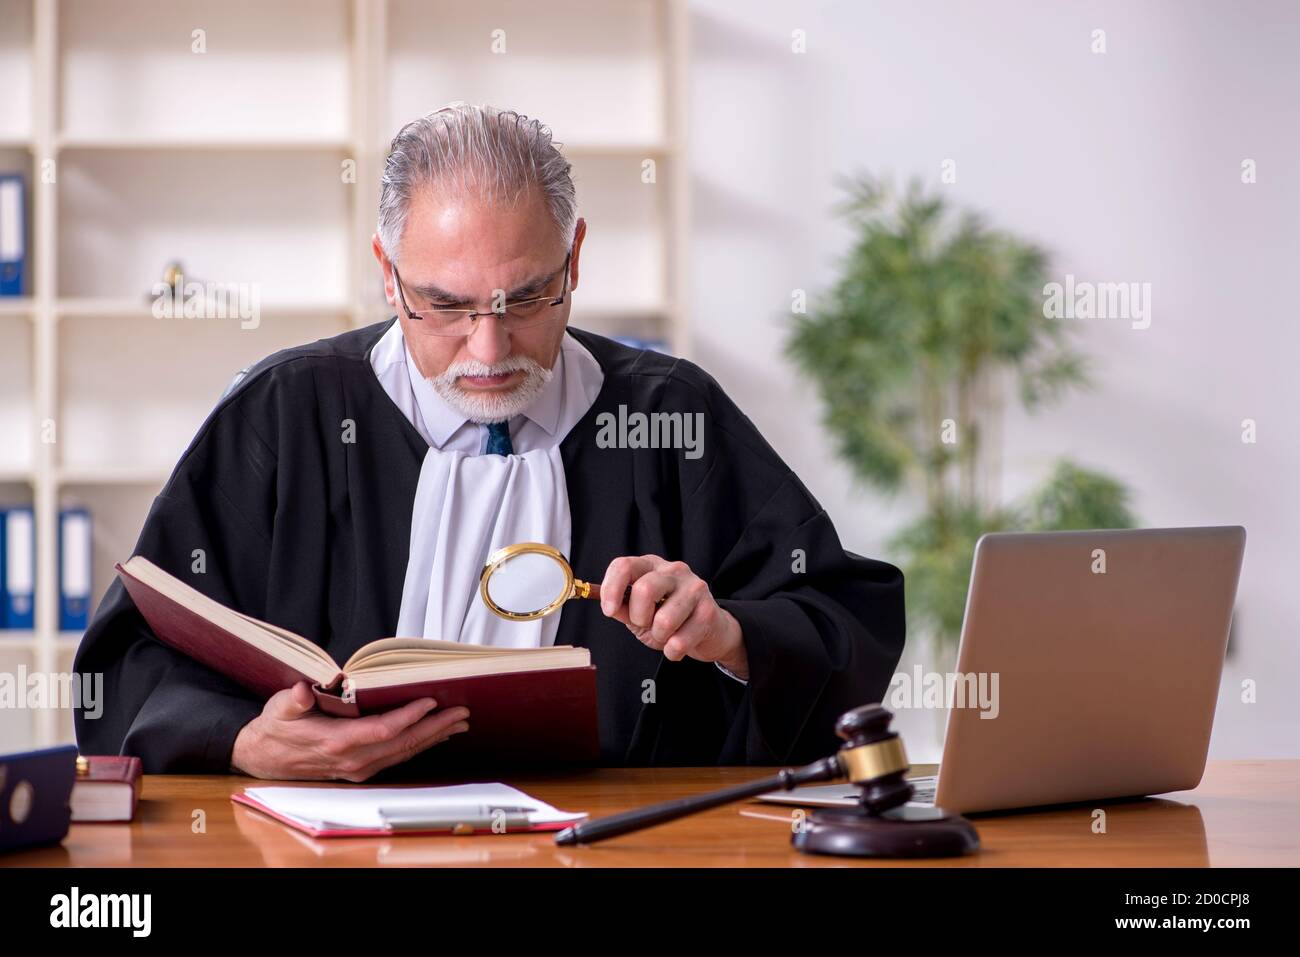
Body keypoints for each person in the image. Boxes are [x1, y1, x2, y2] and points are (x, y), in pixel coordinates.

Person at [73, 104, 905, 780]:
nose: (489, 348)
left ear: (575, 259)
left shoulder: (670, 417)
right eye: (444, 304)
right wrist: (243, 739)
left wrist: (730, 636)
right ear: (387, 272)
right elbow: (126, 658)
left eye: (528, 298)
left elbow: (844, 622)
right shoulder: (287, 413)